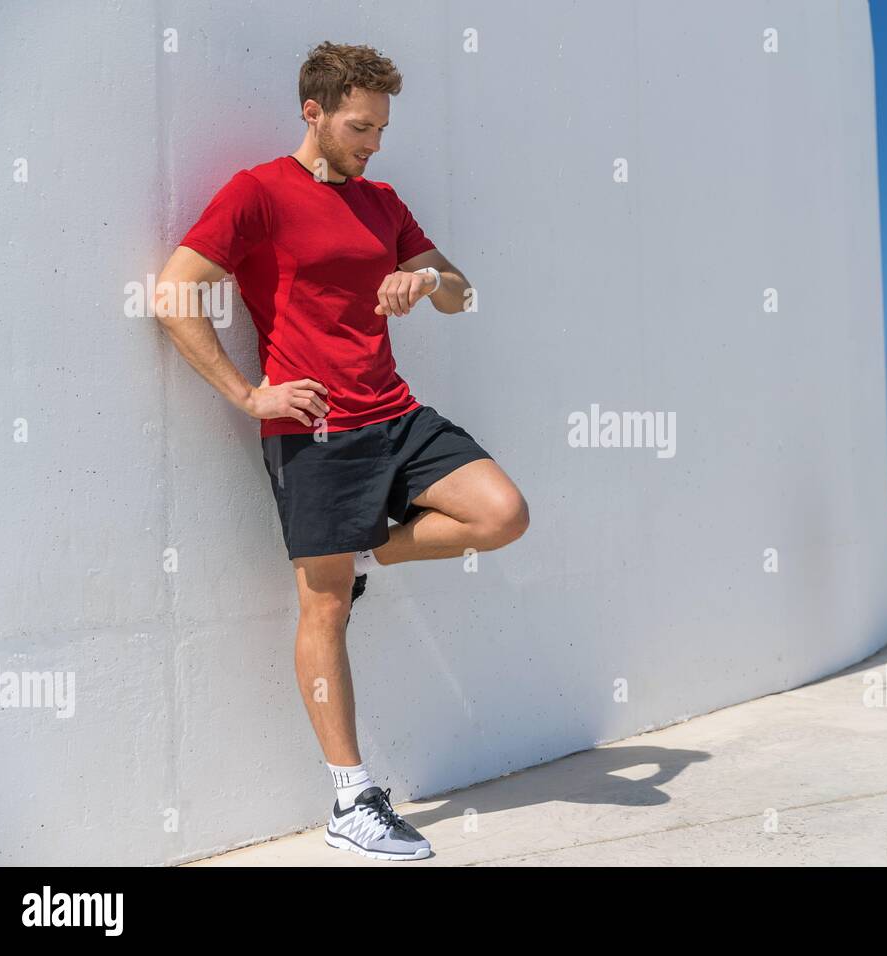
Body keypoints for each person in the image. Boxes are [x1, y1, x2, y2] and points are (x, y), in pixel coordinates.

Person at [153, 41, 529, 861]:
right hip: (314, 430)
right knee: (323, 607)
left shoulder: (382, 200)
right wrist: (249, 395)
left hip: (395, 414)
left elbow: (461, 290)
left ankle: (369, 550)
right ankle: (351, 798)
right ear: (313, 113)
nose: (373, 143)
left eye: (382, 129)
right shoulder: (258, 192)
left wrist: (425, 281)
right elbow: (173, 291)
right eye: (361, 127)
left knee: (502, 514)